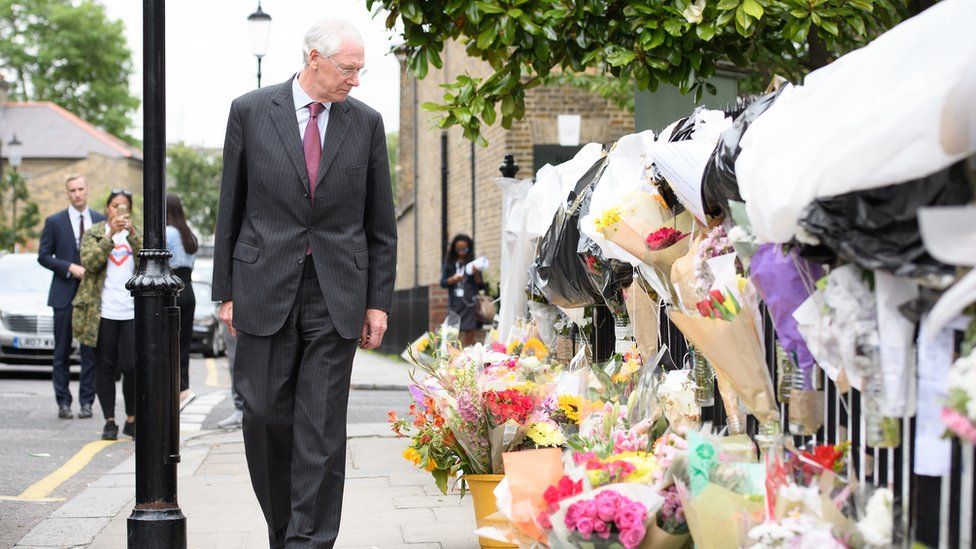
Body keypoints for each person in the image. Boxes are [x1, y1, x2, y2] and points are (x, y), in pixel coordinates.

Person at [212, 18, 396, 549]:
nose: (355, 80)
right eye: (348, 69)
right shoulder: (250, 111)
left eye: (360, 71)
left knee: (321, 430)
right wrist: (226, 290)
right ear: (314, 58)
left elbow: (381, 224)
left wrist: (378, 303)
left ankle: (308, 542)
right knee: (264, 417)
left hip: (337, 293)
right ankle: (282, 531)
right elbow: (230, 206)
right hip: (262, 286)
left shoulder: (366, 123)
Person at [73, 189, 142, 441]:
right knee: (105, 366)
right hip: (103, 312)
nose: (118, 211)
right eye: (114, 206)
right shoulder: (94, 233)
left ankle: (132, 419)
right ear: (107, 208)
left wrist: (131, 235)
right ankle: (109, 421)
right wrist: (110, 235)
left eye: (123, 206)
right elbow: (89, 263)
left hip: (130, 311)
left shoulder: (135, 235)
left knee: (131, 367)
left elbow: (147, 262)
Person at [37, 175, 104, 419]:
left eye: (81, 189)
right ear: (68, 193)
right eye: (72, 190)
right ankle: (63, 402)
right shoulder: (54, 221)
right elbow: (43, 256)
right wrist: (69, 267)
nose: (77, 194)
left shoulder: (100, 220)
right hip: (63, 293)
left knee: (89, 351)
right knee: (61, 351)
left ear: (87, 190)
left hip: (91, 296)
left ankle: (87, 402)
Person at [165, 194, 198, 409]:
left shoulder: (168, 232)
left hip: (173, 290)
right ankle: (183, 389)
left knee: (168, 343)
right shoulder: (189, 234)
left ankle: (175, 390)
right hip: (189, 290)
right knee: (183, 343)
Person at [440, 234, 487, 347]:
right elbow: (442, 283)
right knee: (451, 337)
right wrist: (453, 279)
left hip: (470, 305)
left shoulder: (473, 263)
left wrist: (476, 273)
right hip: (455, 305)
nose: (461, 252)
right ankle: (452, 356)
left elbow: (481, 286)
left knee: (470, 338)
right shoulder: (450, 263)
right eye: (458, 250)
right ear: (454, 249)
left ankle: (468, 356)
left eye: (464, 249)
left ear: (469, 248)